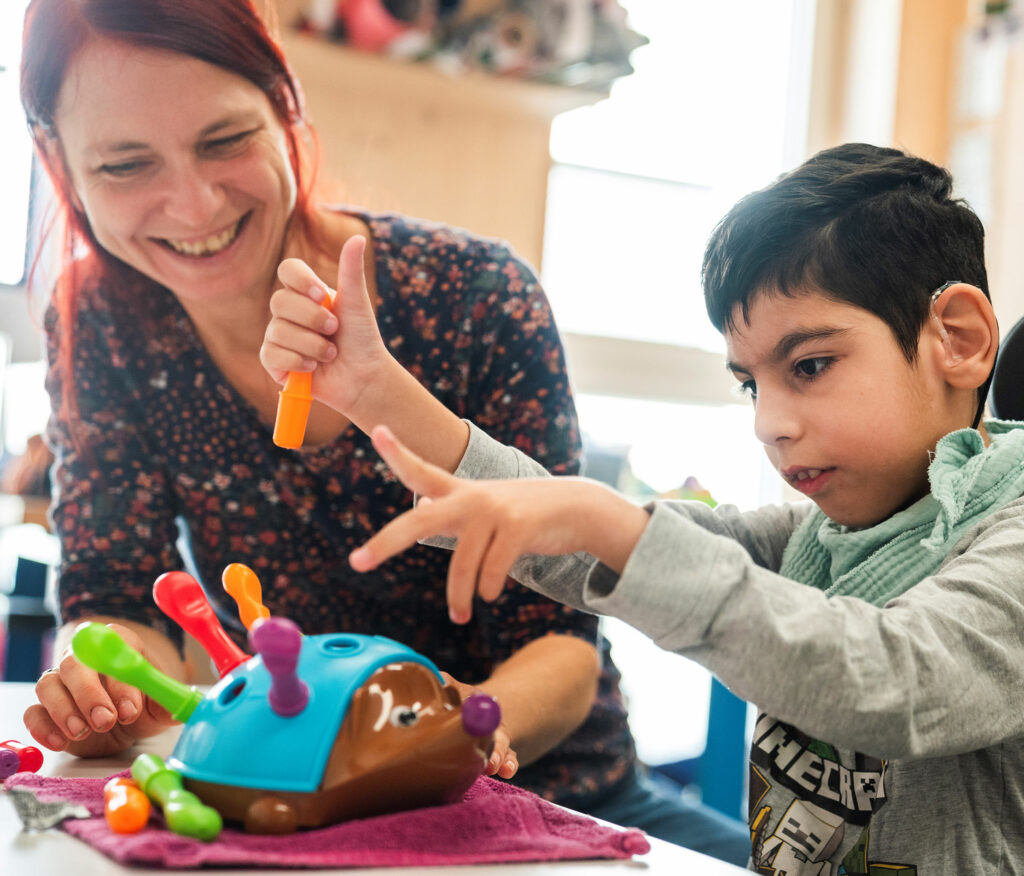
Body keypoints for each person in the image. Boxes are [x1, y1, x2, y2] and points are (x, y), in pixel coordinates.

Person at [17, 0, 750, 862]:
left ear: (287, 106)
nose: (192, 203)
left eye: (223, 141)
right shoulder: (104, 319)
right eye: (124, 164)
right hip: (286, 814)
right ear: (57, 160)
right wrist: (111, 682)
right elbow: (114, 589)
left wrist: (432, 745)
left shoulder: (473, 297)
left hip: (553, 801)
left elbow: (559, 642)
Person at [263, 142, 1024, 872]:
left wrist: (610, 522)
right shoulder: (820, 537)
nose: (770, 423)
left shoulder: (1011, 541)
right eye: (753, 385)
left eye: (811, 365)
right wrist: (376, 395)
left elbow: (900, 680)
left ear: (955, 339)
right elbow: (586, 543)